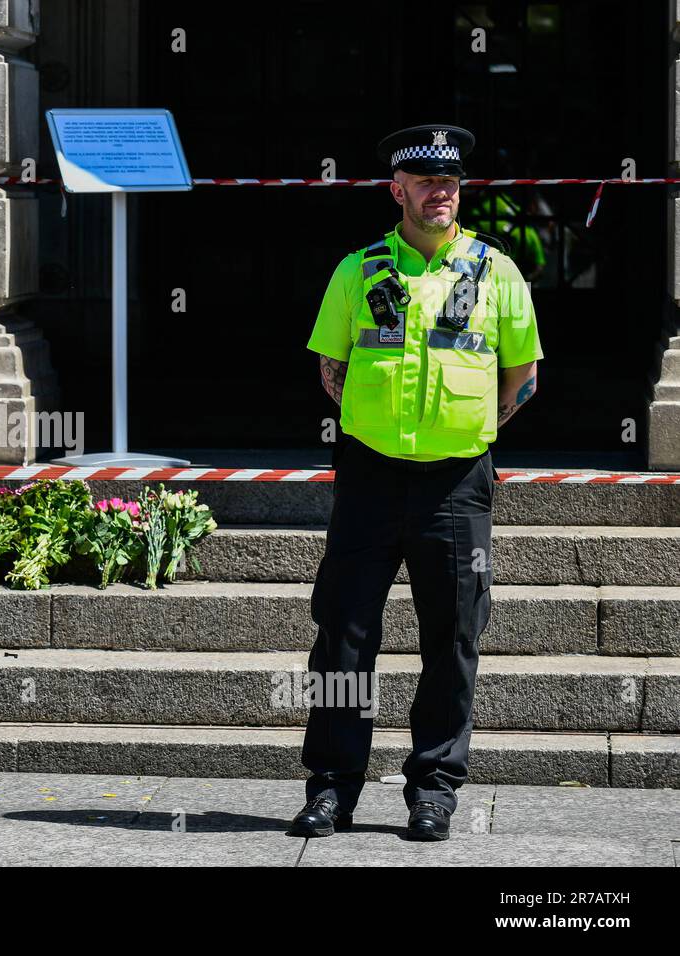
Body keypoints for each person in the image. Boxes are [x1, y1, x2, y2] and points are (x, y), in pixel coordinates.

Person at [291, 124, 543, 841]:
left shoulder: (497, 272)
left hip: (458, 482)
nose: (442, 193)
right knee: (343, 633)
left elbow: (523, 374)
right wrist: (379, 430)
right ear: (397, 189)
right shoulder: (359, 269)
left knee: (455, 635)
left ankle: (433, 789)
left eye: (452, 182)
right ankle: (332, 788)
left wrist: (465, 433)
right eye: (427, 181)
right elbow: (330, 369)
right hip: (369, 475)